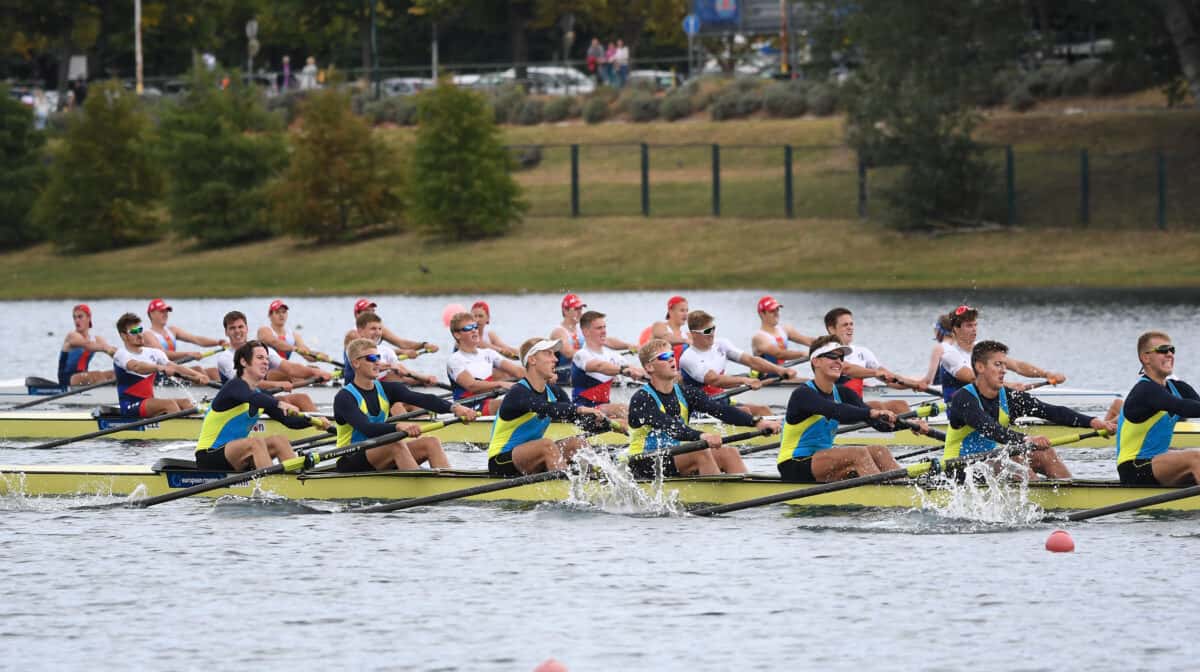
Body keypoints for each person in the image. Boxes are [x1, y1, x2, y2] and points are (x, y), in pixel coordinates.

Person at [944, 340, 1113, 480]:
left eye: (1004, 365)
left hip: (991, 458)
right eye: (998, 364)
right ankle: (1038, 498)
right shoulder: (964, 398)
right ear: (980, 367)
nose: (1004, 370)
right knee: (1018, 468)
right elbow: (989, 428)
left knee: (1045, 453)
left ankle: (1071, 494)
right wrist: (1026, 439)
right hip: (960, 466)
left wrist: (1092, 421)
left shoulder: (1009, 397)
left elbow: (1051, 411)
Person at [627, 338, 780, 479]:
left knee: (729, 453)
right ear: (649, 367)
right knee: (700, 451)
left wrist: (757, 422)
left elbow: (720, 410)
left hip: (672, 456)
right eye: (664, 357)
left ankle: (745, 493)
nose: (672, 359)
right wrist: (702, 435)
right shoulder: (642, 399)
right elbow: (672, 427)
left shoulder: (686, 392)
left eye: (672, 355)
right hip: (643, 461)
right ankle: (715, 501)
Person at [777, 336, 916, 483]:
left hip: (822, 459)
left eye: (841, 358)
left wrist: (910, 425)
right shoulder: (803, 394)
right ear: (815, 361)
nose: (838, 361)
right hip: (794, 463)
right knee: (858, 453)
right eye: (832, 356)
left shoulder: (843, 393)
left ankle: (905, 490)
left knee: (879, 451)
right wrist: (871, 411)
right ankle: (884, 497)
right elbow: (835, 410)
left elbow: (879, 424)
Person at [333, 338, 478, 473]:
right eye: (371, 358)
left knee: (431, 443)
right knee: (395, 444)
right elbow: (367, 428)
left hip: (378, 452)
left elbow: (424, 399)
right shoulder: (344, 397)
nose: (377, 362)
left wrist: (455, 408)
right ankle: (420, 486)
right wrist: (397, 426)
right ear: (356, 363)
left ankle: (447, 482)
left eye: (378, 357)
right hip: (350, 459)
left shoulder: (387, 389)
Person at [486, 338, 611, 478]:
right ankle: (565, 492)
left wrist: (607, 424)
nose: (555, 359)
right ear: (532, 360)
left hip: (532, 457)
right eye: (548, 354)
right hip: (501, 462)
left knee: (577, 443)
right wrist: (580, 409)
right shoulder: (518, 392)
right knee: (546, 445)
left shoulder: (554, 392)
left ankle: (600, 483)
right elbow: (546, 408)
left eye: (554, 354)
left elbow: (577, 419)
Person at [195, 341, 326, 472]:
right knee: (255, 443)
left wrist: (314, 422)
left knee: (279, 440)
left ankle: (296, 483)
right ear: (244, 362)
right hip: (209, 455)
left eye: (267, 359)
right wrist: (279, 403)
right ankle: (272, 487)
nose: (266, 362)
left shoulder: (262, 395)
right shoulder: (234, 385)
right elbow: (251, 397)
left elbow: (289, 421)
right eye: (260, 358)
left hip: (236, 455)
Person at [1115, 331, 1200, 486]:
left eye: (1171, 350)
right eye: (1163, 350)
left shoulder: (1179, 387)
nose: (1169, 355)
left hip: (1157, 465)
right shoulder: (1145, 391)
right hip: (1134, 468)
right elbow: (1182, 407)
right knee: (1196, 458)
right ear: (1146, 358)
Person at [678, 310, 796, 417]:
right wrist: (744, 380)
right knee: (746, 412)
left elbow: (751, 361)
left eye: (713, 329)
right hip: (699, 410)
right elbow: (714, 380)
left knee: (763, 410)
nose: (712, 334)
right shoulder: (689, 357)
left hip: (722, 401)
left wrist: (779, 370)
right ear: (694, 334)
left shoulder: (721, 345)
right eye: (707, 331)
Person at [937, 305, 1065, 403]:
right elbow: (972, 377)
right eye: (969, 325)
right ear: (955, 328)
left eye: (975, 325)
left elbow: (1017, 366)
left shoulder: (981, 348)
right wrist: (1009, 386)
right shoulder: (948, 352)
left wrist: (1047, 374)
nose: (974, 329)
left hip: (985, 406)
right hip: (960, 413)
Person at [215, 310, 329, 412]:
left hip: (260, 399)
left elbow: (290, 368)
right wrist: (278, 384)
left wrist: (316, 373)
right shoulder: (225, 358)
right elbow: (245, 384)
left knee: (302, 398)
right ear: (226, 332)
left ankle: (324, 425)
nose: (237, 331)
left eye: (240, 327)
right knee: (283, 400)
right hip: (237, 407)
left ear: (247, 329)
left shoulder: (262, 351)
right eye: (232, 328)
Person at [823, 307, 919, 415]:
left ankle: (915, 428)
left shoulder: (862, 352)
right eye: (845, 325)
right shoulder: (825, 350)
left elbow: (889, 378)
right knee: (877, 406)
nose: (850, 328)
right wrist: (874, 373)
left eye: (851, 324)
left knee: (900, 405)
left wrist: (912, 384)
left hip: (856, 406)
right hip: (834, 408)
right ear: (831, 329)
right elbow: (847, 369)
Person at [112, 312, 208, 419]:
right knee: (169, 404)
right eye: (134, 332)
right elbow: (137, 367)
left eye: (140, 330)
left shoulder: (154, 352)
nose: (139, 334)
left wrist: (197, 375)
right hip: (130, 406)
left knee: (187, 403)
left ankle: (197, 431)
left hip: (148, 404)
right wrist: (159, 367)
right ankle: (178, 432)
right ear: (124, 336)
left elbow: (174, 367)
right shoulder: (121, 354)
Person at [571, 310, 647, 420]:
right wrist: (622, 370)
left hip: (603, 409)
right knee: (622, 409)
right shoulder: (581, 355)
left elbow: (635, 370)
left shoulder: (612, 356)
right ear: (586, 332)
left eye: (604, 327)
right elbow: (599, 366)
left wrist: (657, 375)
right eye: (599, 328)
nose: (604, 332)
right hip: (583, 410)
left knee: (640, 408)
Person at [446, 311, 525, 413]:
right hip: (466, 407)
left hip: (488, 401)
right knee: (515, 403)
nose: (474, 330)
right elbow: (472, 385)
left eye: (475, 327)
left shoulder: (488, 353)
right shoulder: (455, 360)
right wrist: (500, 384)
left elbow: (518, 371)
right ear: (457, 335)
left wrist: (544, 376)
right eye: (468, 328)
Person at [345, 311, 440, 389]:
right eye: (373, 329)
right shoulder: (354, 348)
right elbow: (375, 366)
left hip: (379, 388)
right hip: (356, 390)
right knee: (393, 380)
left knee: (398, 382)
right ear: (360, 331)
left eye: (380, 329)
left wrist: (425, 378)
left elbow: (403, 371)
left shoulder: (386, 351)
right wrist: (392, 365)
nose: (378, 332)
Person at [142, 298, 227, 380]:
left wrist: (218, 342)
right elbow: (163, 355)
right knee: (198, 370)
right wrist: (188, 354)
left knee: (214, 371)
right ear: (151, 314)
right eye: (161, 311)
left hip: (175, 369)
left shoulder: (172, 330)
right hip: (160, 373)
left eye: (166, 311)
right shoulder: (148, 335)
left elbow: (196, 339)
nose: (165, 314)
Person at [550, 293, 635, 371]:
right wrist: (595, 355)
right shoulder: (559, 332)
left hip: (585, 368)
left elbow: (606, 340)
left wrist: (629, 346)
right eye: (576, 309)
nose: (580, 312)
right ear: (565, 310)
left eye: (581, 308)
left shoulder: (582, 329)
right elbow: (568, 353)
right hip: (564, 372)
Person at [344, 299, 437, 360]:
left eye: (373, 311)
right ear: (357, 314)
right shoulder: (353, 334)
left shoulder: (379, 331)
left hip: (376, 367)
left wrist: (424, 345)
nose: (372, 314)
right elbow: (370, 351)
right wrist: (402, 352)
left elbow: (402, 343)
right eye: (367, 311)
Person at [58, 303, 116, 386]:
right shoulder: (72, 336)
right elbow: (88, 345)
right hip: (68, 380)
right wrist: (105, 347)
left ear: (89, 318)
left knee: (115, 373)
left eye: (80, 317)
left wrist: (127, 361)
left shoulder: (96, 338)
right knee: (97, 375)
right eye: (74, 317)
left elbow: (111, 351)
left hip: (84, 377)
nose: (77, 320)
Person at [750, 295, 813, 370]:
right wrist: (802, 354)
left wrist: (827, 343)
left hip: (782, 375)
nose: (776, 313)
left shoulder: (785, 330)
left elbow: (809, 341)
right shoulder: (759, 337)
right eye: (772, 311)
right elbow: (779, 354)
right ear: (762, 314)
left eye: (777, 310)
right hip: (764, 379)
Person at [256, 299, 327, 362]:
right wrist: (294, 348)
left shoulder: (295, 336)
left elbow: (307, 355)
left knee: (314, 369)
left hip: (285, 370)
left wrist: (319, 356)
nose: (281, 315)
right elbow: (274, 342)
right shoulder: (264, 330)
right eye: (277, 312)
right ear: (270, 315)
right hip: (266, 371)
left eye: (284, 312)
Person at [648, 295, 691, 360]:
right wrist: (685, 340)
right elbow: (666, 338)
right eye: (682, 310)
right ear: (670, 311)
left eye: (687, 311)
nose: (685, 314)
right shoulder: (659, 326)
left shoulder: (688, 335)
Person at [920, 314, 954, 387]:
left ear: (938, 330)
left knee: (896, 382)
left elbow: (929, 380)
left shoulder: (939, 348)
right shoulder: (961, 345)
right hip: (956, 387)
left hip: (941, 388)